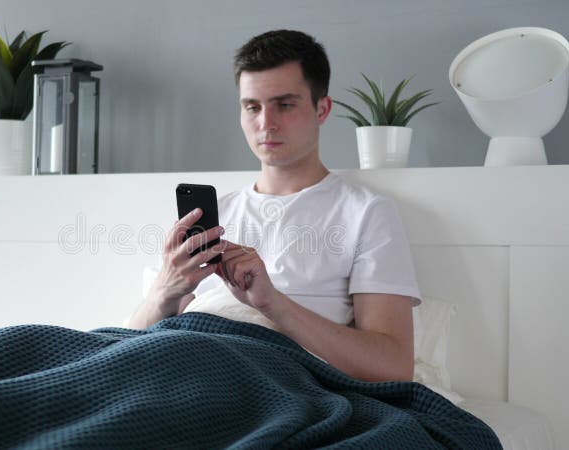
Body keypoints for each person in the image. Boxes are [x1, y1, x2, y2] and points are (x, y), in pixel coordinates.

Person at [127, 30, 421, 382]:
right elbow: (124, 348)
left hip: (263, 378)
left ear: (322, 109)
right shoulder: (209, 215)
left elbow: (393, 368)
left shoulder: (365, 214)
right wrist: (163, 292)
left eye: (284, 105)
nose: (266, 123)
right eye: (252, 107)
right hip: (176, 364)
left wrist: (273, 304)